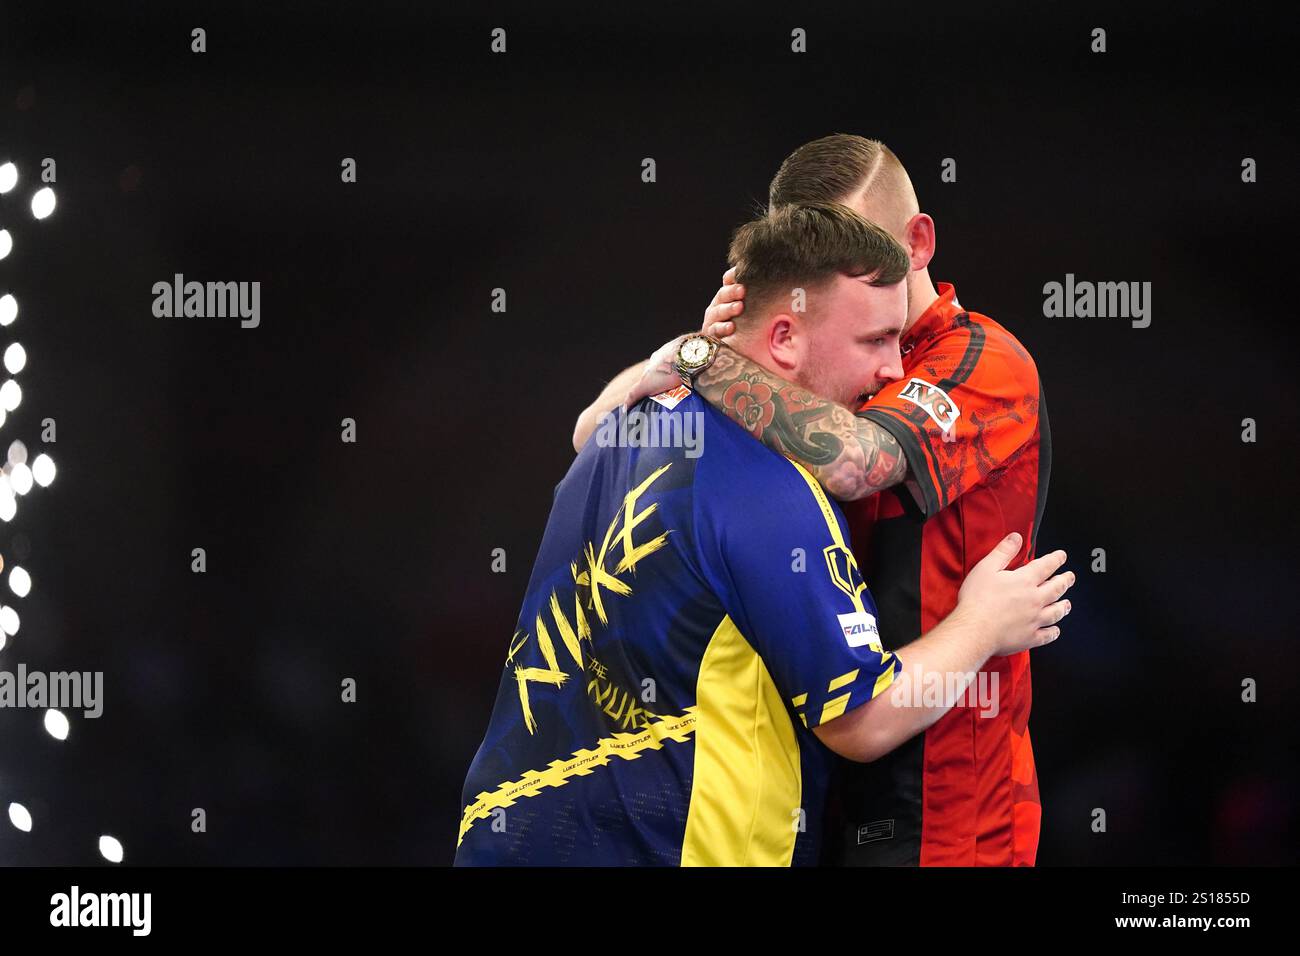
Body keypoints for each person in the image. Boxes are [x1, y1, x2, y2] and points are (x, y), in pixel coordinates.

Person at [456, 202, 1072, 866]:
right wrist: (982, 624)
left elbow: (585, 423)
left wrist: (689, 352)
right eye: (875, 339)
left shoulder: (621, 429)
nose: (895, 370)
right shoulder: (772, 490)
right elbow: (863, 720)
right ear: (784, 338)